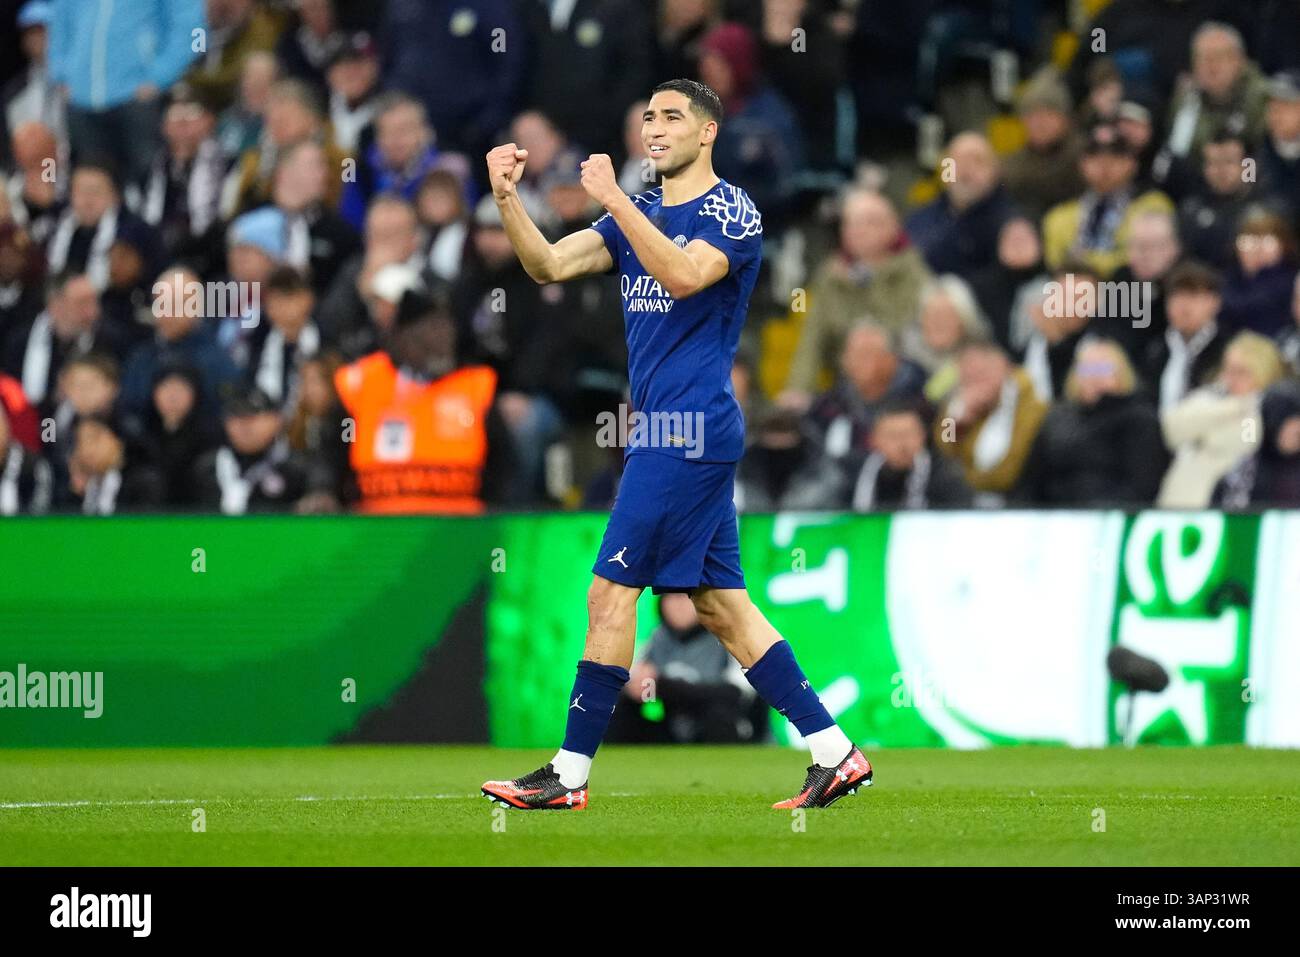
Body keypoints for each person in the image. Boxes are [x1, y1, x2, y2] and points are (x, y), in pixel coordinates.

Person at [479, 79, 872, 811]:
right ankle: (834, 750)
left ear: (708, 132)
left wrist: (617, 201)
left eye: (670, 117)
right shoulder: (644, 212)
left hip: (686, 429)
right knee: (722, 606)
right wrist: (508, 197)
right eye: (647, 118)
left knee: (610, 591)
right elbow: (549, 265)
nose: (653, 129)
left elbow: (687, 275)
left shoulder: (730, 208)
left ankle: (568, 774)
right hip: (662, 430)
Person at [331, 290, 514, 514]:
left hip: (460, 529)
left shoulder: (475, 385)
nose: (443, 337)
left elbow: (504, 468)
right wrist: (322, 491)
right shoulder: (359, 383)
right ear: (403, 336)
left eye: (447, 326)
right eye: (432, 327)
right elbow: (330, 458)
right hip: (377, 530)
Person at [1014, 338, 1167, 506]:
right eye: (1087, 369)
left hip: (1108, 515)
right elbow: (1030, 481)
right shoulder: (1057, 418)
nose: (1095, 377)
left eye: (1103, 369)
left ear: (1122, 373)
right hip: (1052, 516)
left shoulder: (1141, 419)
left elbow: (1142, 486)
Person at [1157, 330, 1286, 508]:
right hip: (1177, 502)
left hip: (1225, 507)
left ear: (1262, 372)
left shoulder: (1262, 411)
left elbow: (1246, 441)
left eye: (1241, 372)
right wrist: (1233, 407)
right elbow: (1171, 429)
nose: (1230, 378)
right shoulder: (1207, 397)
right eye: (1228, 369)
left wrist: (1202, 431)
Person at [932, 338, 1048, 503]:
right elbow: (946, 449)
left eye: (982, 374)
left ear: (1004, 365)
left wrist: (971, 481)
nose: (976, 385)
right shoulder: (967, 406)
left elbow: (1008, 475)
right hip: (977, 502)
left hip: (1022, 500)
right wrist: (954, 420)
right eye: (968, 379)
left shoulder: (1030, 401)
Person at [846, 399, 972, 511]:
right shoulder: (852, 473)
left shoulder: (945, 476)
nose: (902, 445)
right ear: (873, 440)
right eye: (893, 436)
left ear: (923, 436)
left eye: (909, 434)